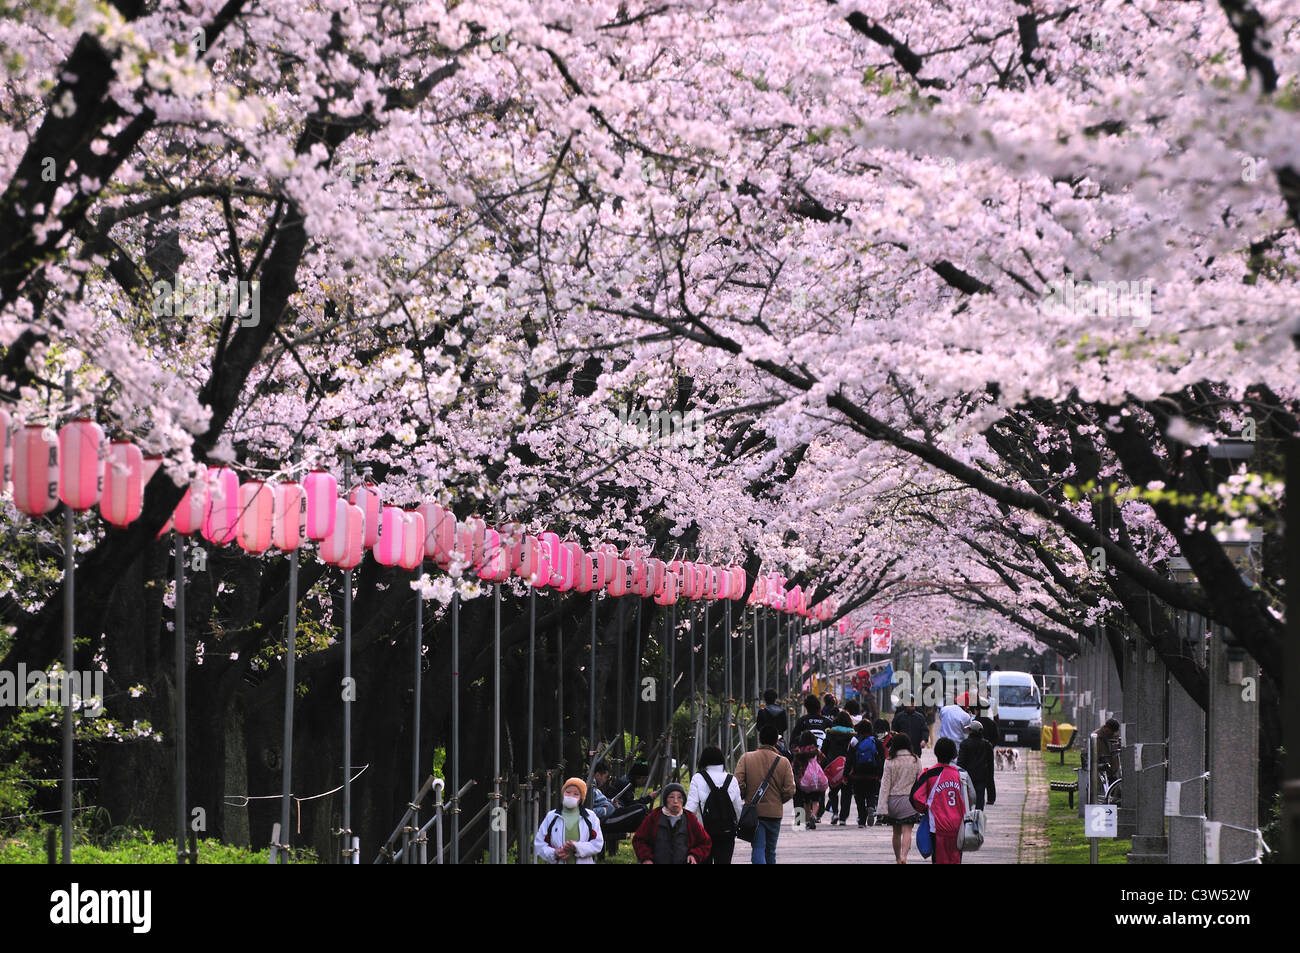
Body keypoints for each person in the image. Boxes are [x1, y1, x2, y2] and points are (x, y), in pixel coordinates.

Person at [734, 724, 796, 864]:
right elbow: (790, 789)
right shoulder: (784, 762)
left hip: (754, 813)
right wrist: (778, 800)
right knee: (771, 850)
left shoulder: (746, 758)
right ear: (776, 741)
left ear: (760, 739)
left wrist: (746, 796)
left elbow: (737, 783)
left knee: (758, 848)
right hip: (774, 814)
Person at [910, 737, 977, 865]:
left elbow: (915, 797)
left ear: (936, 753)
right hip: (959, 827)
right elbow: (972, 797)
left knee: (939, 859)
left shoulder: (929, 774)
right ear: (954, 754)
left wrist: (926, 810)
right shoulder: (962, 774)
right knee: (956, 859)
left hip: (937, 827)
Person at [686, 746, 744, 864]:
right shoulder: (731, 779)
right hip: (727, 832)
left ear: (703, 760)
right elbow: (738, 808)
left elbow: (690, 808)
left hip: (703, 833)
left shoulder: (698, 778)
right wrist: (739, 825)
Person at [632, 782, 711, 864]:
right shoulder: (654, 817)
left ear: (683, 800)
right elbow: (638, 840)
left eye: (679, 797)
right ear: (665, 800)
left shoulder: (690, 819)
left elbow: (705, 842)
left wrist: (694, 855)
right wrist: (646, 858)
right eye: (671, 797)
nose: (675, 801)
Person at [876, 734, 923, 863]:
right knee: (907, 830)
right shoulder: (916, 760)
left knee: (896, 832)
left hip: (893, 801)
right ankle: (904, 857)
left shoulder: (889, 761)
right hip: (909, 801)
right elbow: (920, 782)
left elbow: (885, 785)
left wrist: (882, 807)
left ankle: (897, 858)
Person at [535, 777, 604, 864]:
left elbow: (597, 844)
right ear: (563, 793)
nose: (571, 796)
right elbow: (539, 843)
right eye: (567, 792)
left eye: (576, 794)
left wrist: (577, 847)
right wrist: (554, 853)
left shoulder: (590, 817)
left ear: (581, 798)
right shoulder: (551, 817)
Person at [847, 718, 885, 826]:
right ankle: (871, 807)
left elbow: (849, 758)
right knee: (871, 794)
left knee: (859, 797)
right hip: (873, 775)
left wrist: (846, 774)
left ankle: (862, 820)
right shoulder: (876, 741)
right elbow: (882, 758)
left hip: (857, 775)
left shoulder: (854, 741)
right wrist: (880, 773)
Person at [821, 711, 855, 824]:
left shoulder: (830, 734)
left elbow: (824, 750)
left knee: (833, 791)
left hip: (833, 766)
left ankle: (835, 812)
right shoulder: (852, 735)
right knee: (846, 792)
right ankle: (843, 818)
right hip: (847, 766)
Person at [790, 729, 828, 828]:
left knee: (806, 801)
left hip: (804, 780)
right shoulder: (816, 751)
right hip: (816, 780)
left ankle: (805, 820)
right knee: (816, 800)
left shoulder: (799, 751)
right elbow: (824, 760)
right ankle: (814, 815)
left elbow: (794, 765)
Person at [957, 720, 996, 810]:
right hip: (981, 777)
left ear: (971, 731)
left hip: (967, 777)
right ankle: (978, 820)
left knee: (966, 802)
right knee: (980, 801)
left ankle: (968, 820)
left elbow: (961, 762)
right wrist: (990, 787)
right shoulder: (987, 745)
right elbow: (990, 765)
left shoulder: (965, 744)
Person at [1094, 718, 1121, 783]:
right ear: (1105, 728)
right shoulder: (1096, 737)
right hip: (1100, 772)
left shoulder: (1115, 736)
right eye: (1111, 731)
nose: (1112, 734)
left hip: (1113, 772)